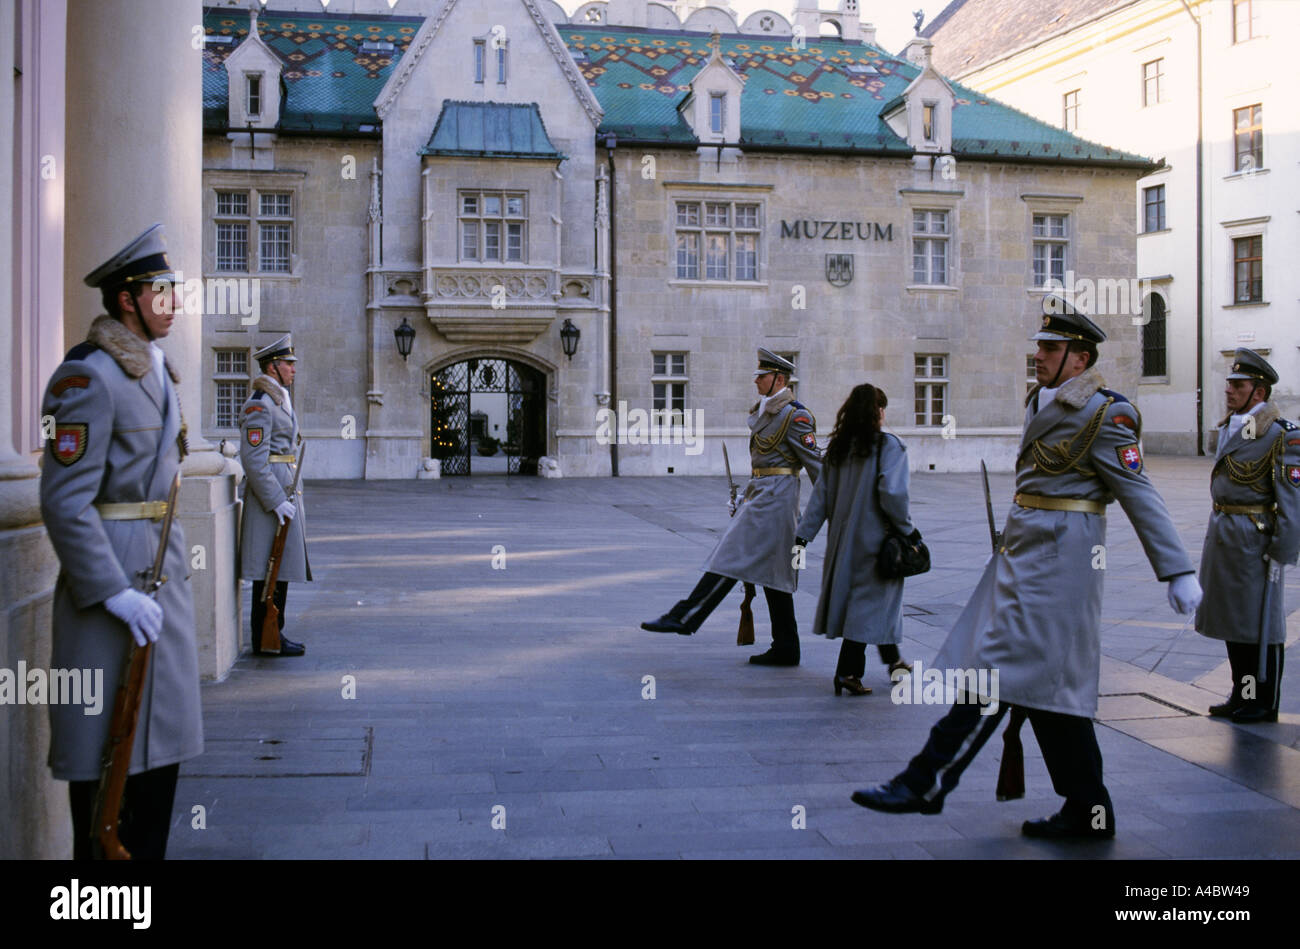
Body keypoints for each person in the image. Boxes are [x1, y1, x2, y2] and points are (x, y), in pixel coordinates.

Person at [851, 297, 1201, 839]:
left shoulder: (1108, 413)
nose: (1037, 355)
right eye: (1039, 345)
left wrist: (1176, 569)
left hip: (1062, 565)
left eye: (1051, 348)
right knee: (1049, 689)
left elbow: (1139, 492)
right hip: (1022, 555)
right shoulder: (1040, 400)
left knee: (997, 668)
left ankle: (924, 780)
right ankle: (1089, 811)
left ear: (1080, 359)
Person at [39, 223, 204, 859]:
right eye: (161, 290)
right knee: (105, 771)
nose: (173, 301)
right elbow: (64, 499)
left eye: (174, 288)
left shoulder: (161, 373)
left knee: (158, 764)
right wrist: (110, 591)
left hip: (162, 585)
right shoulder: (83, 379)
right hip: (110, 597)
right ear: (127, 299)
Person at [641, 349, 822, 665]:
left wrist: (827, 514)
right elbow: (765, 466)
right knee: (773, 575)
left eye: (762, 376)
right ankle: (787, 648)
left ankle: (684, 617)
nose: (756, 381)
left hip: (777, 504)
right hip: (762, 496)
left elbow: (816, 468)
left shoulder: (795, 416)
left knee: (730, 556)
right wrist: (745, 498)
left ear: (779, 379)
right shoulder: (766, 410)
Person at [1195, 348, 1300, 723]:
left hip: (1257, 541)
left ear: (1259, 391)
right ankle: (1242, 693)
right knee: (1234, 622)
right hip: (1226, 535)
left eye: (1238, 385)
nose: (1229, 391)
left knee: (1261, 625)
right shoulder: (1231, 426)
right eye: (1230, 384)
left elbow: (1292, 501)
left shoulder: (1281, 435)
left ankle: (1261, 701)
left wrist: (1282, 551)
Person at [795, 384, 917, 695]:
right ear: (878, 412)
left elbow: (820, 499)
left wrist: (803, 536)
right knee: (871, 605)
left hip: (844, 543)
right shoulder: (890, 447)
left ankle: (894, 661)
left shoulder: (838, 449)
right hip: (878, 542)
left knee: (871, 605)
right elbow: (894, 494)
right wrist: (908, 530)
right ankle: (848, 671)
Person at [240, 334, 311, 656]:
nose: (294, 370)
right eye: (289, 364)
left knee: (280, 566)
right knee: (267, 569)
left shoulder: (279, 399)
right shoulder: (260, 403)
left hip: (285, 488)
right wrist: (275, 500)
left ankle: (274, 633)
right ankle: (266, 636)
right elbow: (254, 460)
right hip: (271, 495)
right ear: (273, 367)